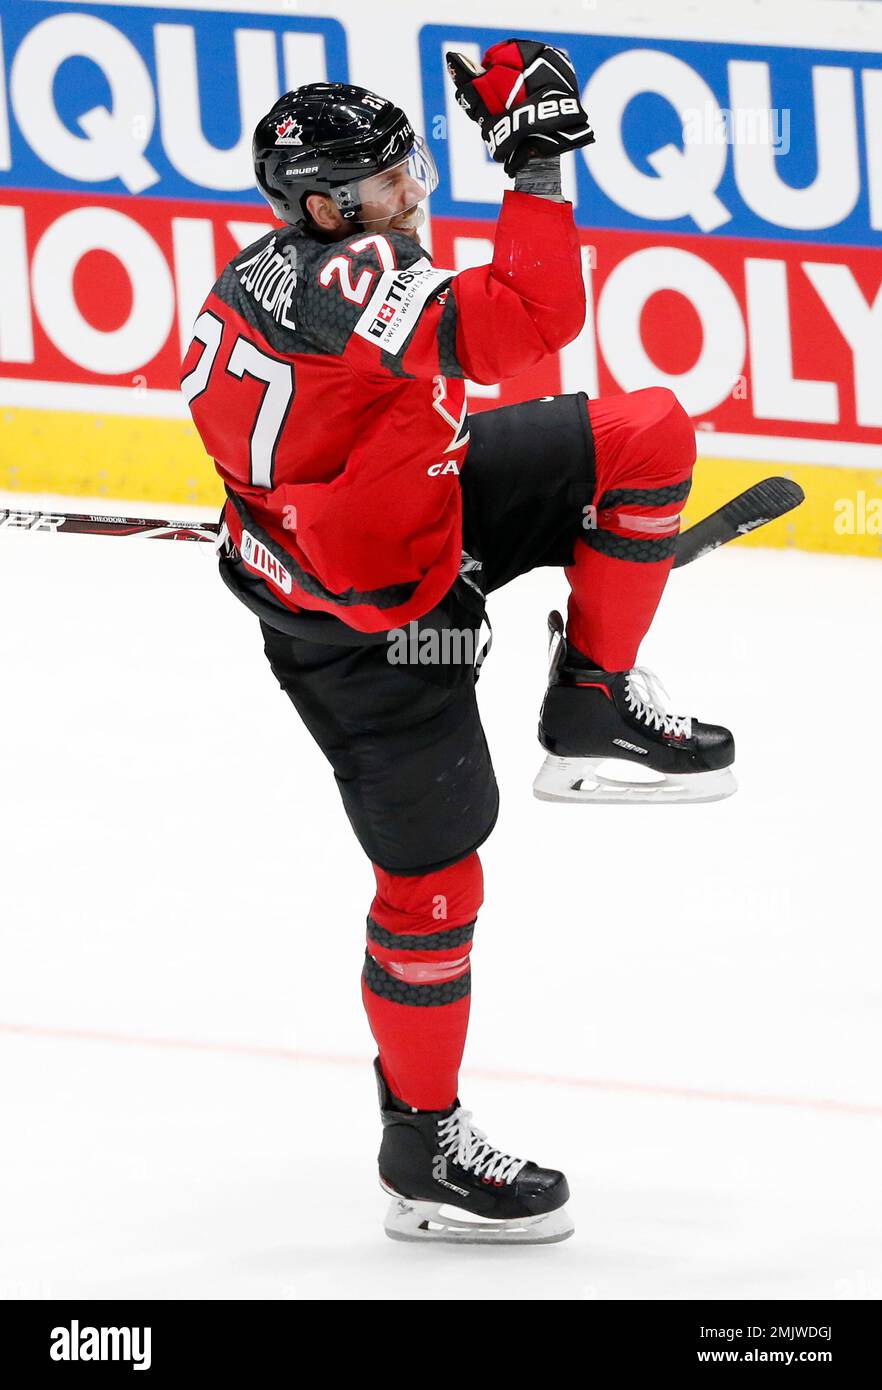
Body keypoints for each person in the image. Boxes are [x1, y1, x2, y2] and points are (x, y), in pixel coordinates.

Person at [181, 39, 735, 1245]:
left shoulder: (268, 275)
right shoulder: (350, 277)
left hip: (400, 525)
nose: (414, 194)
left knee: (643, 435)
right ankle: (422, 1140)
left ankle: (591, 699)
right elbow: (533, 324)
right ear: (322, 209)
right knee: (434, 888)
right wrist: (533, 162)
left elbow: (308, 436)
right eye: (386, 185)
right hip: (366, 634)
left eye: (413, 166)